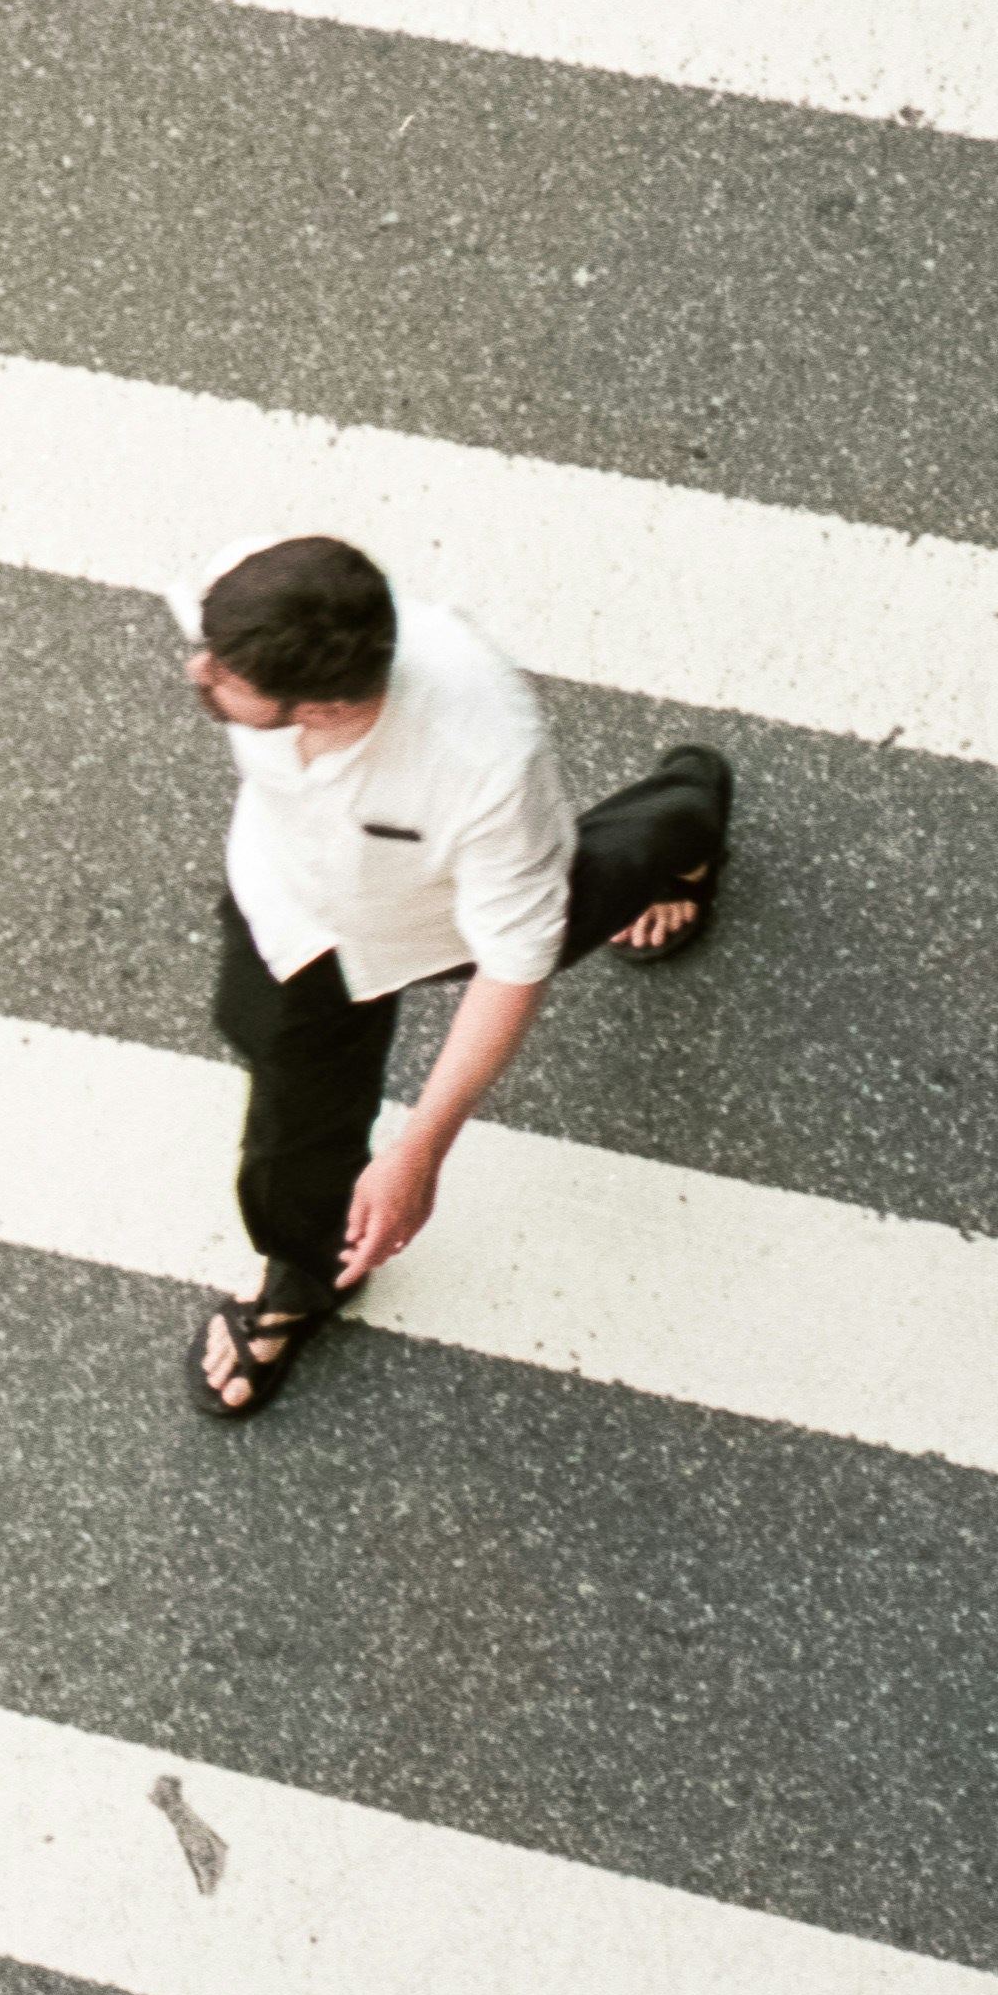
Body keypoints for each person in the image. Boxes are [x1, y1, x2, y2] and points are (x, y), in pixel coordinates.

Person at [175, 531, 728, 1421]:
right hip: (290, 915)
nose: (198, 670)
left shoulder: (484, 767)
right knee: (286, 1093)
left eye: (223, 674)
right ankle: (303, 1274)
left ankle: (685, 817)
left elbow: (512, 969)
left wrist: (419, 1150)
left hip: (432, 926)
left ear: (320, 705)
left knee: (570, 899)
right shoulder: (248, 602)